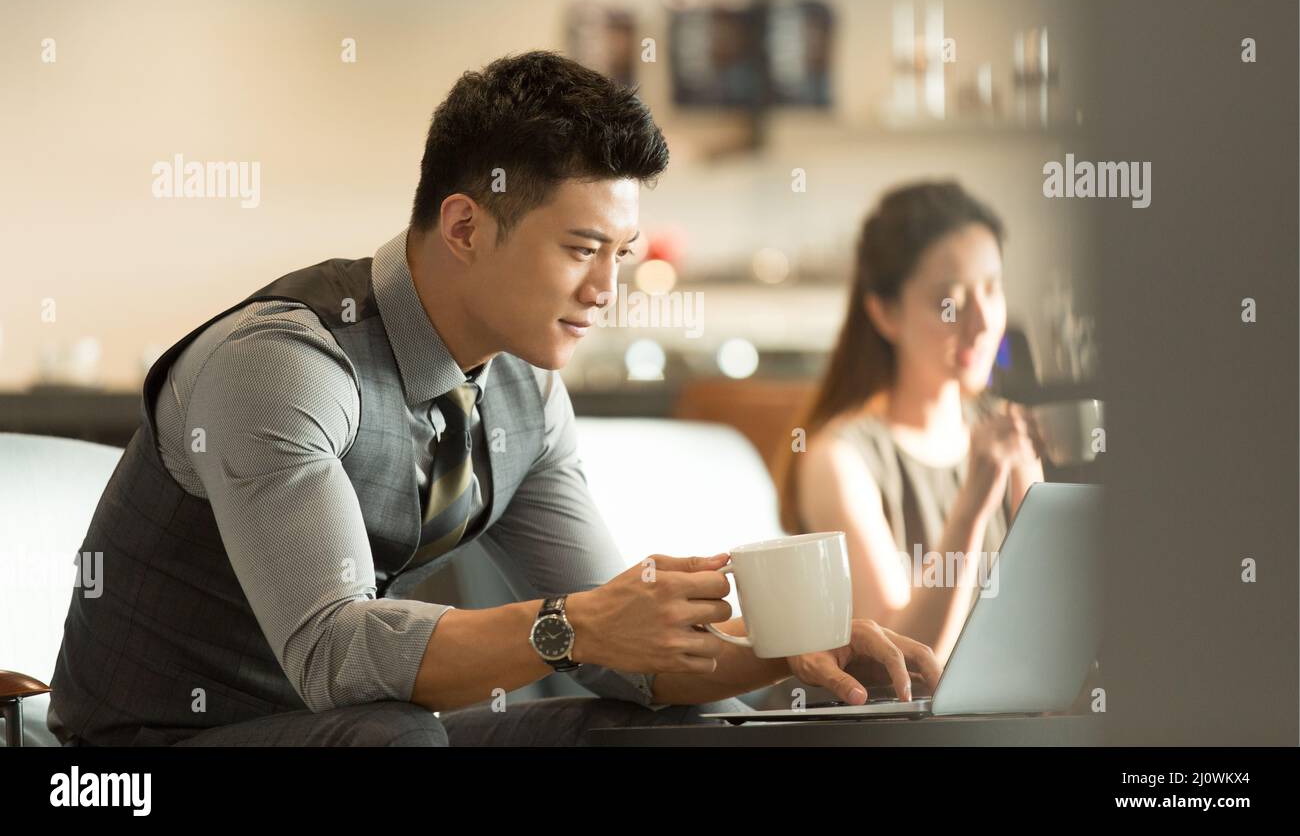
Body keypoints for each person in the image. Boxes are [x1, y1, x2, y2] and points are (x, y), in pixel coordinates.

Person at [47, 51, 939, 747]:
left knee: (657, 734)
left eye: (621, 255)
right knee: (395, 737)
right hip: (139, 755)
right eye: (582, 247)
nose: (606, 288)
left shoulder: (524, 392)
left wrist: (785, 655)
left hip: (352, 730)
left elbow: (629, 667)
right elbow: (333, 655)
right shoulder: (285, 364)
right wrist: (573, 628)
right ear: (467, 226)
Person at [773, 181, 1044, 703]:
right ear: (885, 313)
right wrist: (972, 504)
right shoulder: (840, 457)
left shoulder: (1006, 435)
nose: (983, 322)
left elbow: (1042, 620)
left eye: (992, 288)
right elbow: (907, 666)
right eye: (949, 302)